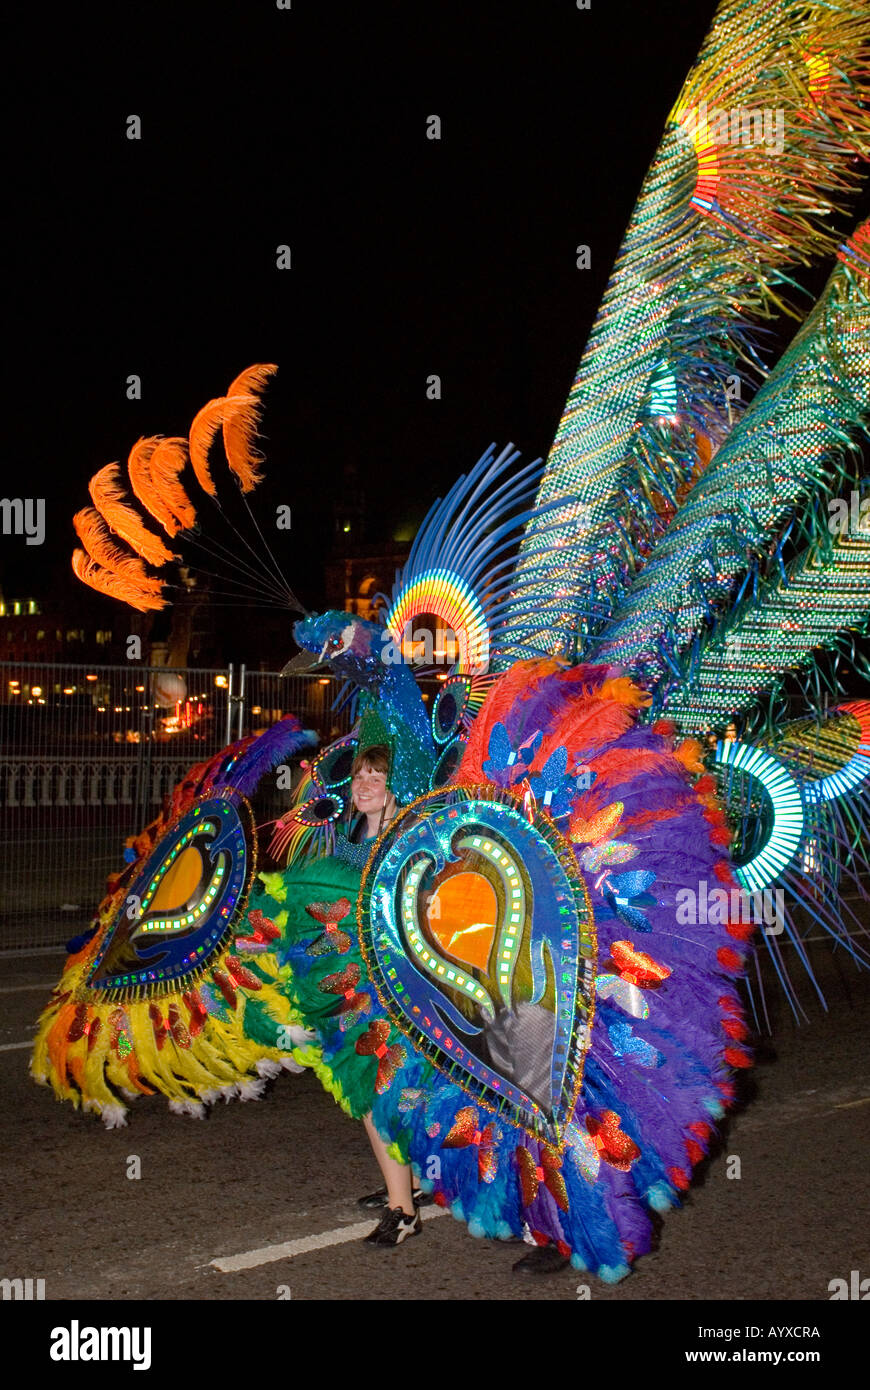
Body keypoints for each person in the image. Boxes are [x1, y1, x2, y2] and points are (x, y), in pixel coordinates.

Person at [338, 745, 428, 1247]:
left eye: (377, 776)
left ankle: (404, 1210)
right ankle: (410, 1183)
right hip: (360, 983)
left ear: (397, 786)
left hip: (402, 985)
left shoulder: (407, 837)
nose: (365, 784)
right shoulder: (354, 838)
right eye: (359, 776)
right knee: (375, 1087)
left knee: (380, 1088)